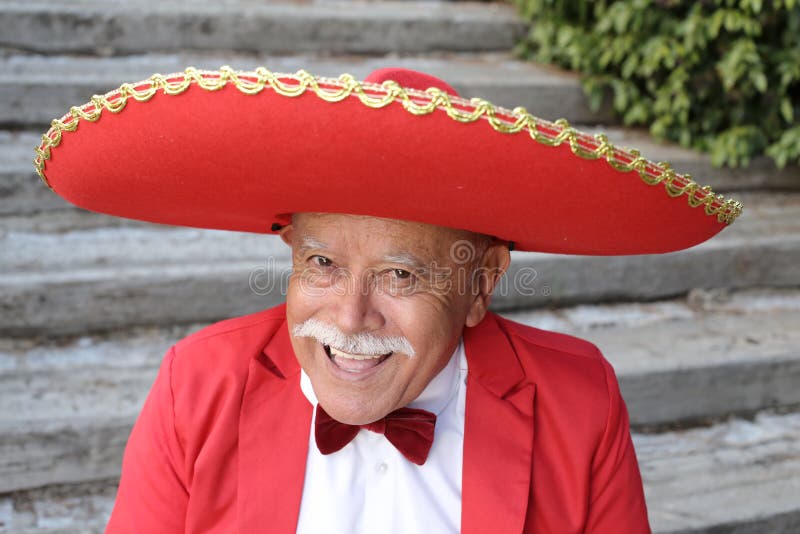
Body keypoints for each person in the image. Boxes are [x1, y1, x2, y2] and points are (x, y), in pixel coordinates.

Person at [34, 66, 742, 533]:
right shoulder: (199, 385)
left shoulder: (576, 401)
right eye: (322, 264)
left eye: (401, 277)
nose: (348, 319)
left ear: (481, 284)